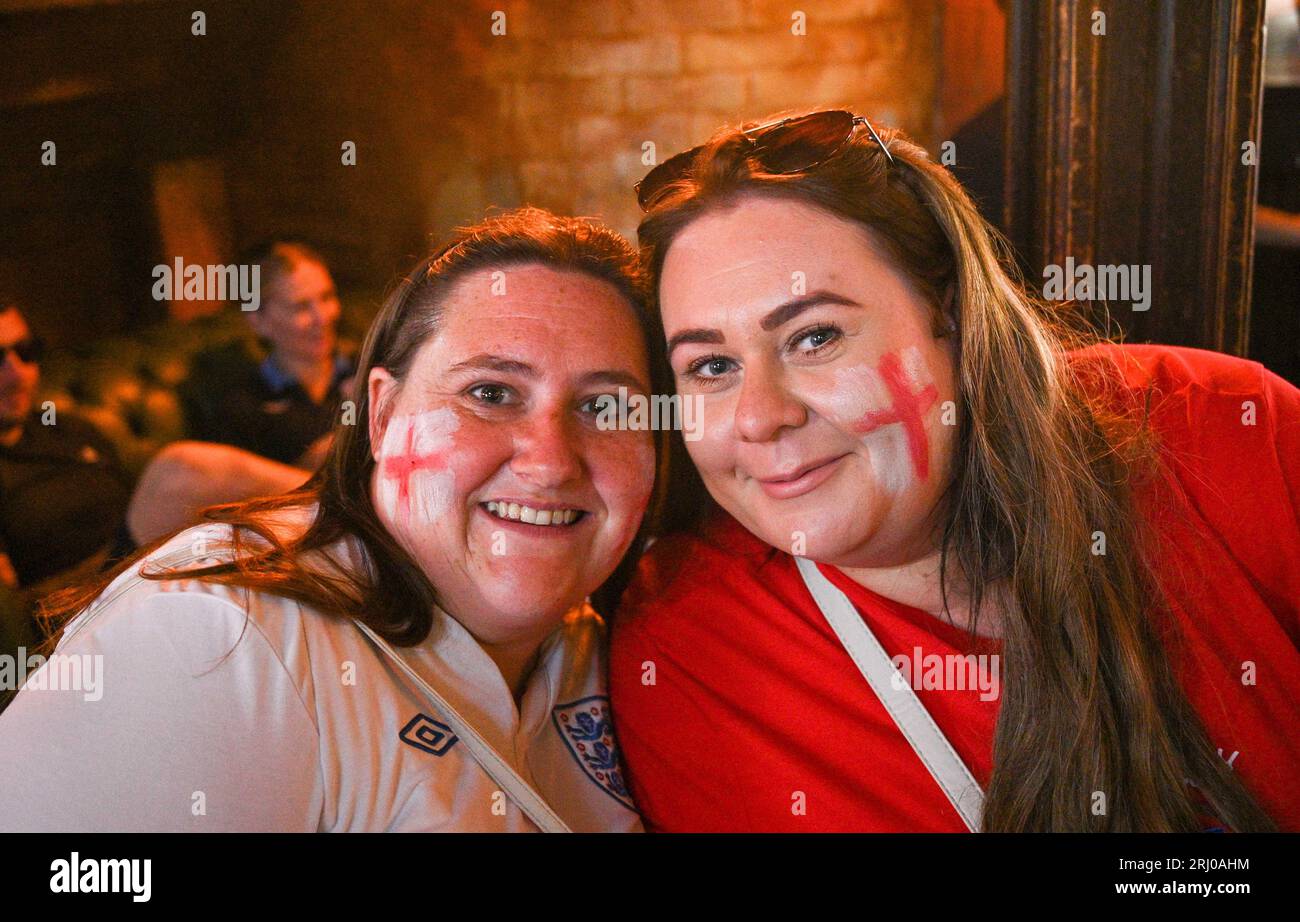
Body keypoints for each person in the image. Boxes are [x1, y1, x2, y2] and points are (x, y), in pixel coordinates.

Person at [610, 109, 1300, 832]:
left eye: (815, 336)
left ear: (953, 315)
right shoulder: (690, 647)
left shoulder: (1229, 429)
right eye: (711, 366)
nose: (758, 417)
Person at [0, 208, 667, 831]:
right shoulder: (217, 642)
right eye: (490, 393)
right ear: (381, 415)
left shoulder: (625, 642)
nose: (550, 462)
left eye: (606, 409)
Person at [179, 240, 354, 468]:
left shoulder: (370, 370)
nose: (323, 317)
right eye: (300, 306)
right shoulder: (243, 408)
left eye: (327, 297)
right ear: (258, 322)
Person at [0, 301, 133, 596]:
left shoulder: (70, 429)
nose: (19, 375)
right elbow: (12, 610)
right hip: (83, 601)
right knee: (180, 468)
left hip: (150, 566)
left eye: (25, 351)